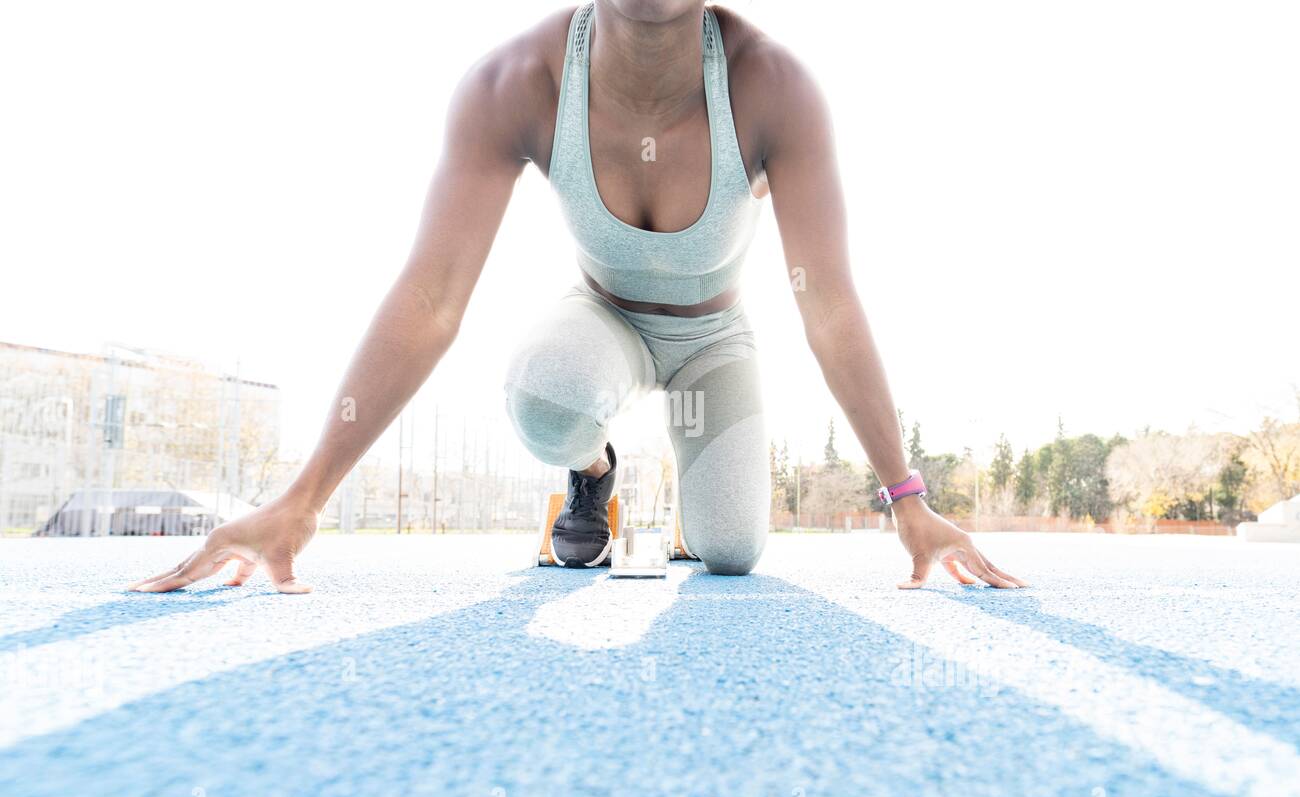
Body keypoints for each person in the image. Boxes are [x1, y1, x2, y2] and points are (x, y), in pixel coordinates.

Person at [129, 1, 1026, 593]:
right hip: (604, 319)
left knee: (730, 553)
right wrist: (304, 496)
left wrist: (906, 495)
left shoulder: (775, 89)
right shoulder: (513, 82)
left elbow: (827, 304)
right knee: (547, 391)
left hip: (716, 341)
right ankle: (594, 476)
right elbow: (432, 295)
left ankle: (688, 492)